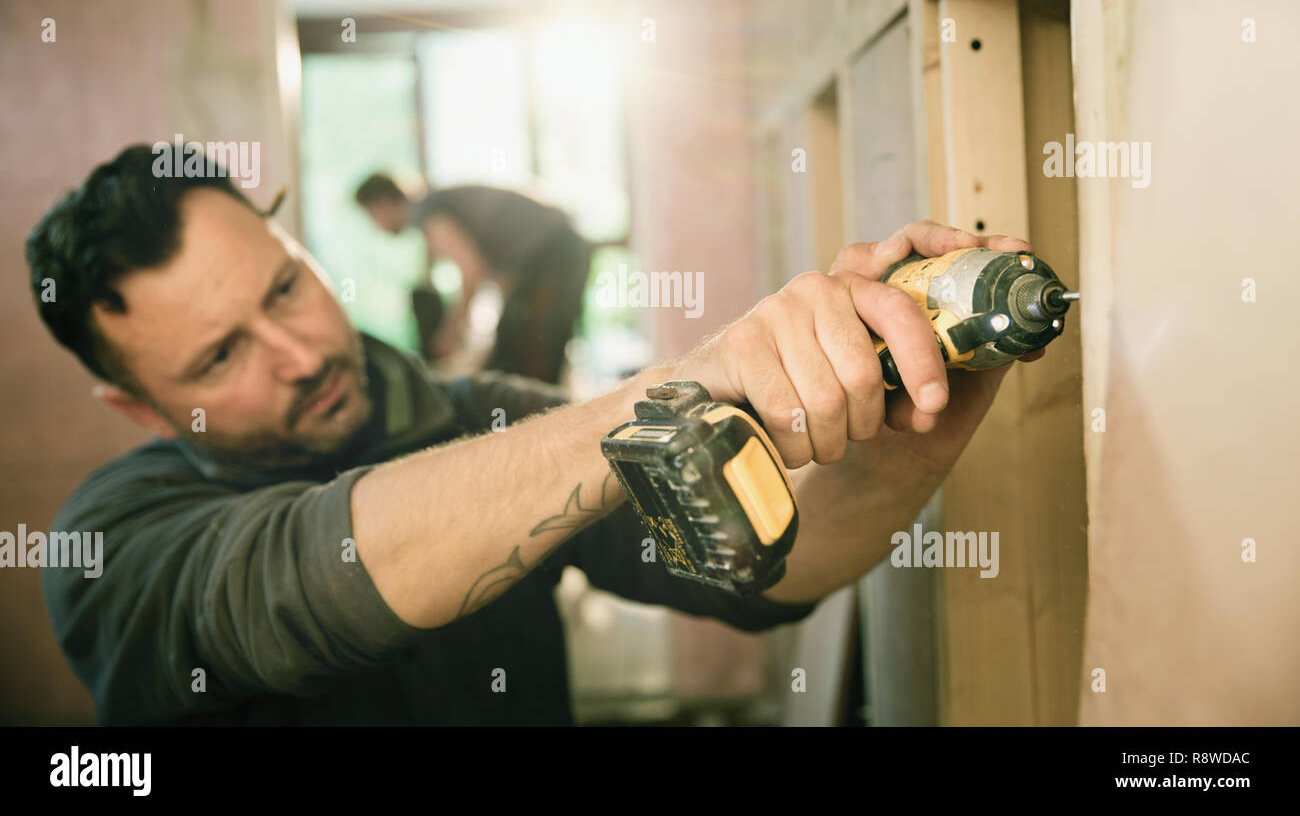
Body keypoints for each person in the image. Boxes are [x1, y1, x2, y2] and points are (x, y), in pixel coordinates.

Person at [26, 142, 1042, 725]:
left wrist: (914, 407)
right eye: (218, 358)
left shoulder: (494, 419)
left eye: (286, 287)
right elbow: (312, 574)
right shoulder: (116, 543)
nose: (298, 352)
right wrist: (673, 387)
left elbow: (774, 569)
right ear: (143, 410)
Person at [356, 173, 590, 384]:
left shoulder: (429, 214)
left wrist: (451, 332)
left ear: (382, 204)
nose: (375, 227)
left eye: (371, 216)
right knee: (518, 351)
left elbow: (472, 274)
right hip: (554, 253)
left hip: (555, 255)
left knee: (531, 360)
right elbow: (493, 271)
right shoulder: (432, 211)